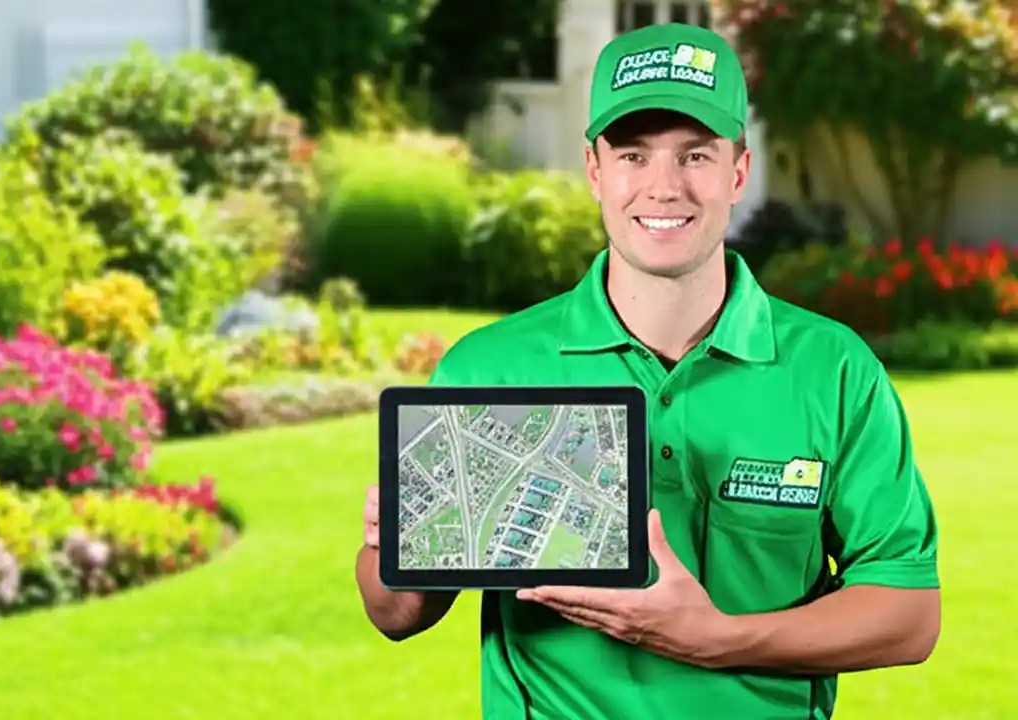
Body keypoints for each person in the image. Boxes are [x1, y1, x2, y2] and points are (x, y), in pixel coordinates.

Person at [354, 22, 940, 720]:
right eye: (633, 155)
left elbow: (908, 612)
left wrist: (715, 639)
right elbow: (394, 613)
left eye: (694, 154)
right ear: (596, 170)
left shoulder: (834, 370)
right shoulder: (492, 367)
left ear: (738, 170)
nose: (664, 188)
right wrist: (397, 551)